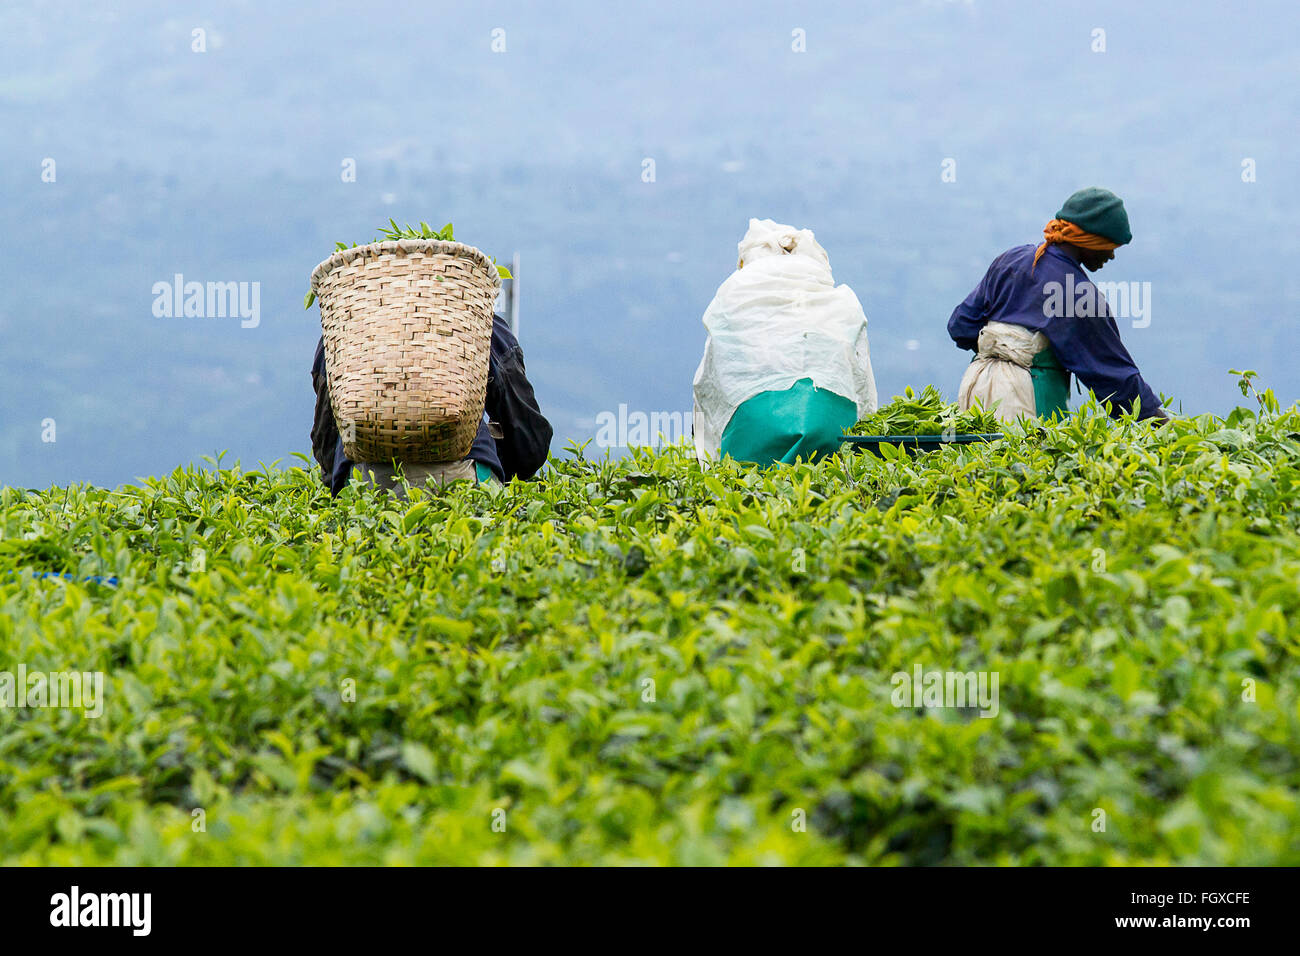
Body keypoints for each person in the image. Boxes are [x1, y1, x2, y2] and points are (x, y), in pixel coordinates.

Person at [947, 187, 1168, 423]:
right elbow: (1115, 379)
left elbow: (961, 326)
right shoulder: (1078, 295)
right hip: (1028, 400)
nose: (1111, 256)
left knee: (977, 458)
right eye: (1109, 246)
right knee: (1029, 458)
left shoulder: (1012, 260)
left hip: (975, 392)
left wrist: (1002, 351)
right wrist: (1163, 427)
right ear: (1090, 241)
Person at [311, 313, 552, 496]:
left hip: (364, 485)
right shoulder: (477, 318)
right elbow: (528, 443)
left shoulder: (342, 325)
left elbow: (327, 444)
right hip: (463, 478)